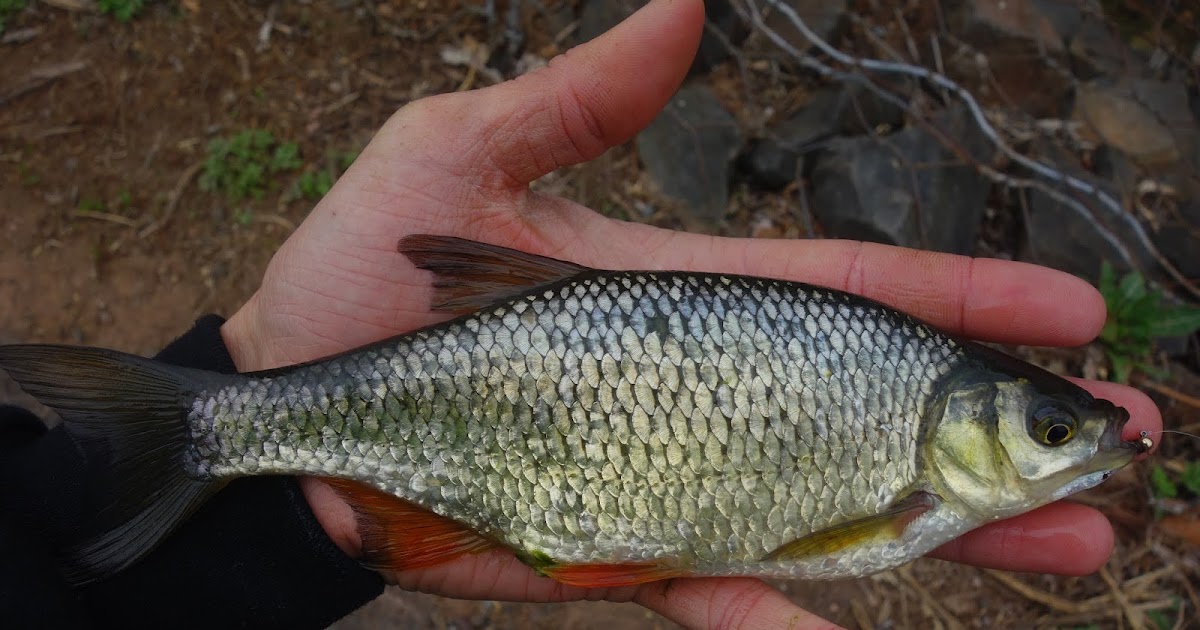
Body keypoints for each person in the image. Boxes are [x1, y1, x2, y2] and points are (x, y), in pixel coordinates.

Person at [0, 1, 1161, 628]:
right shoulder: (905, 466)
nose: (1067, 443)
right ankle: (199, 429)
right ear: (963, 424)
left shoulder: (911, 436)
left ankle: (194, 432)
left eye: (1053, 433)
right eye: (1049, 433)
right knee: (220, 422)